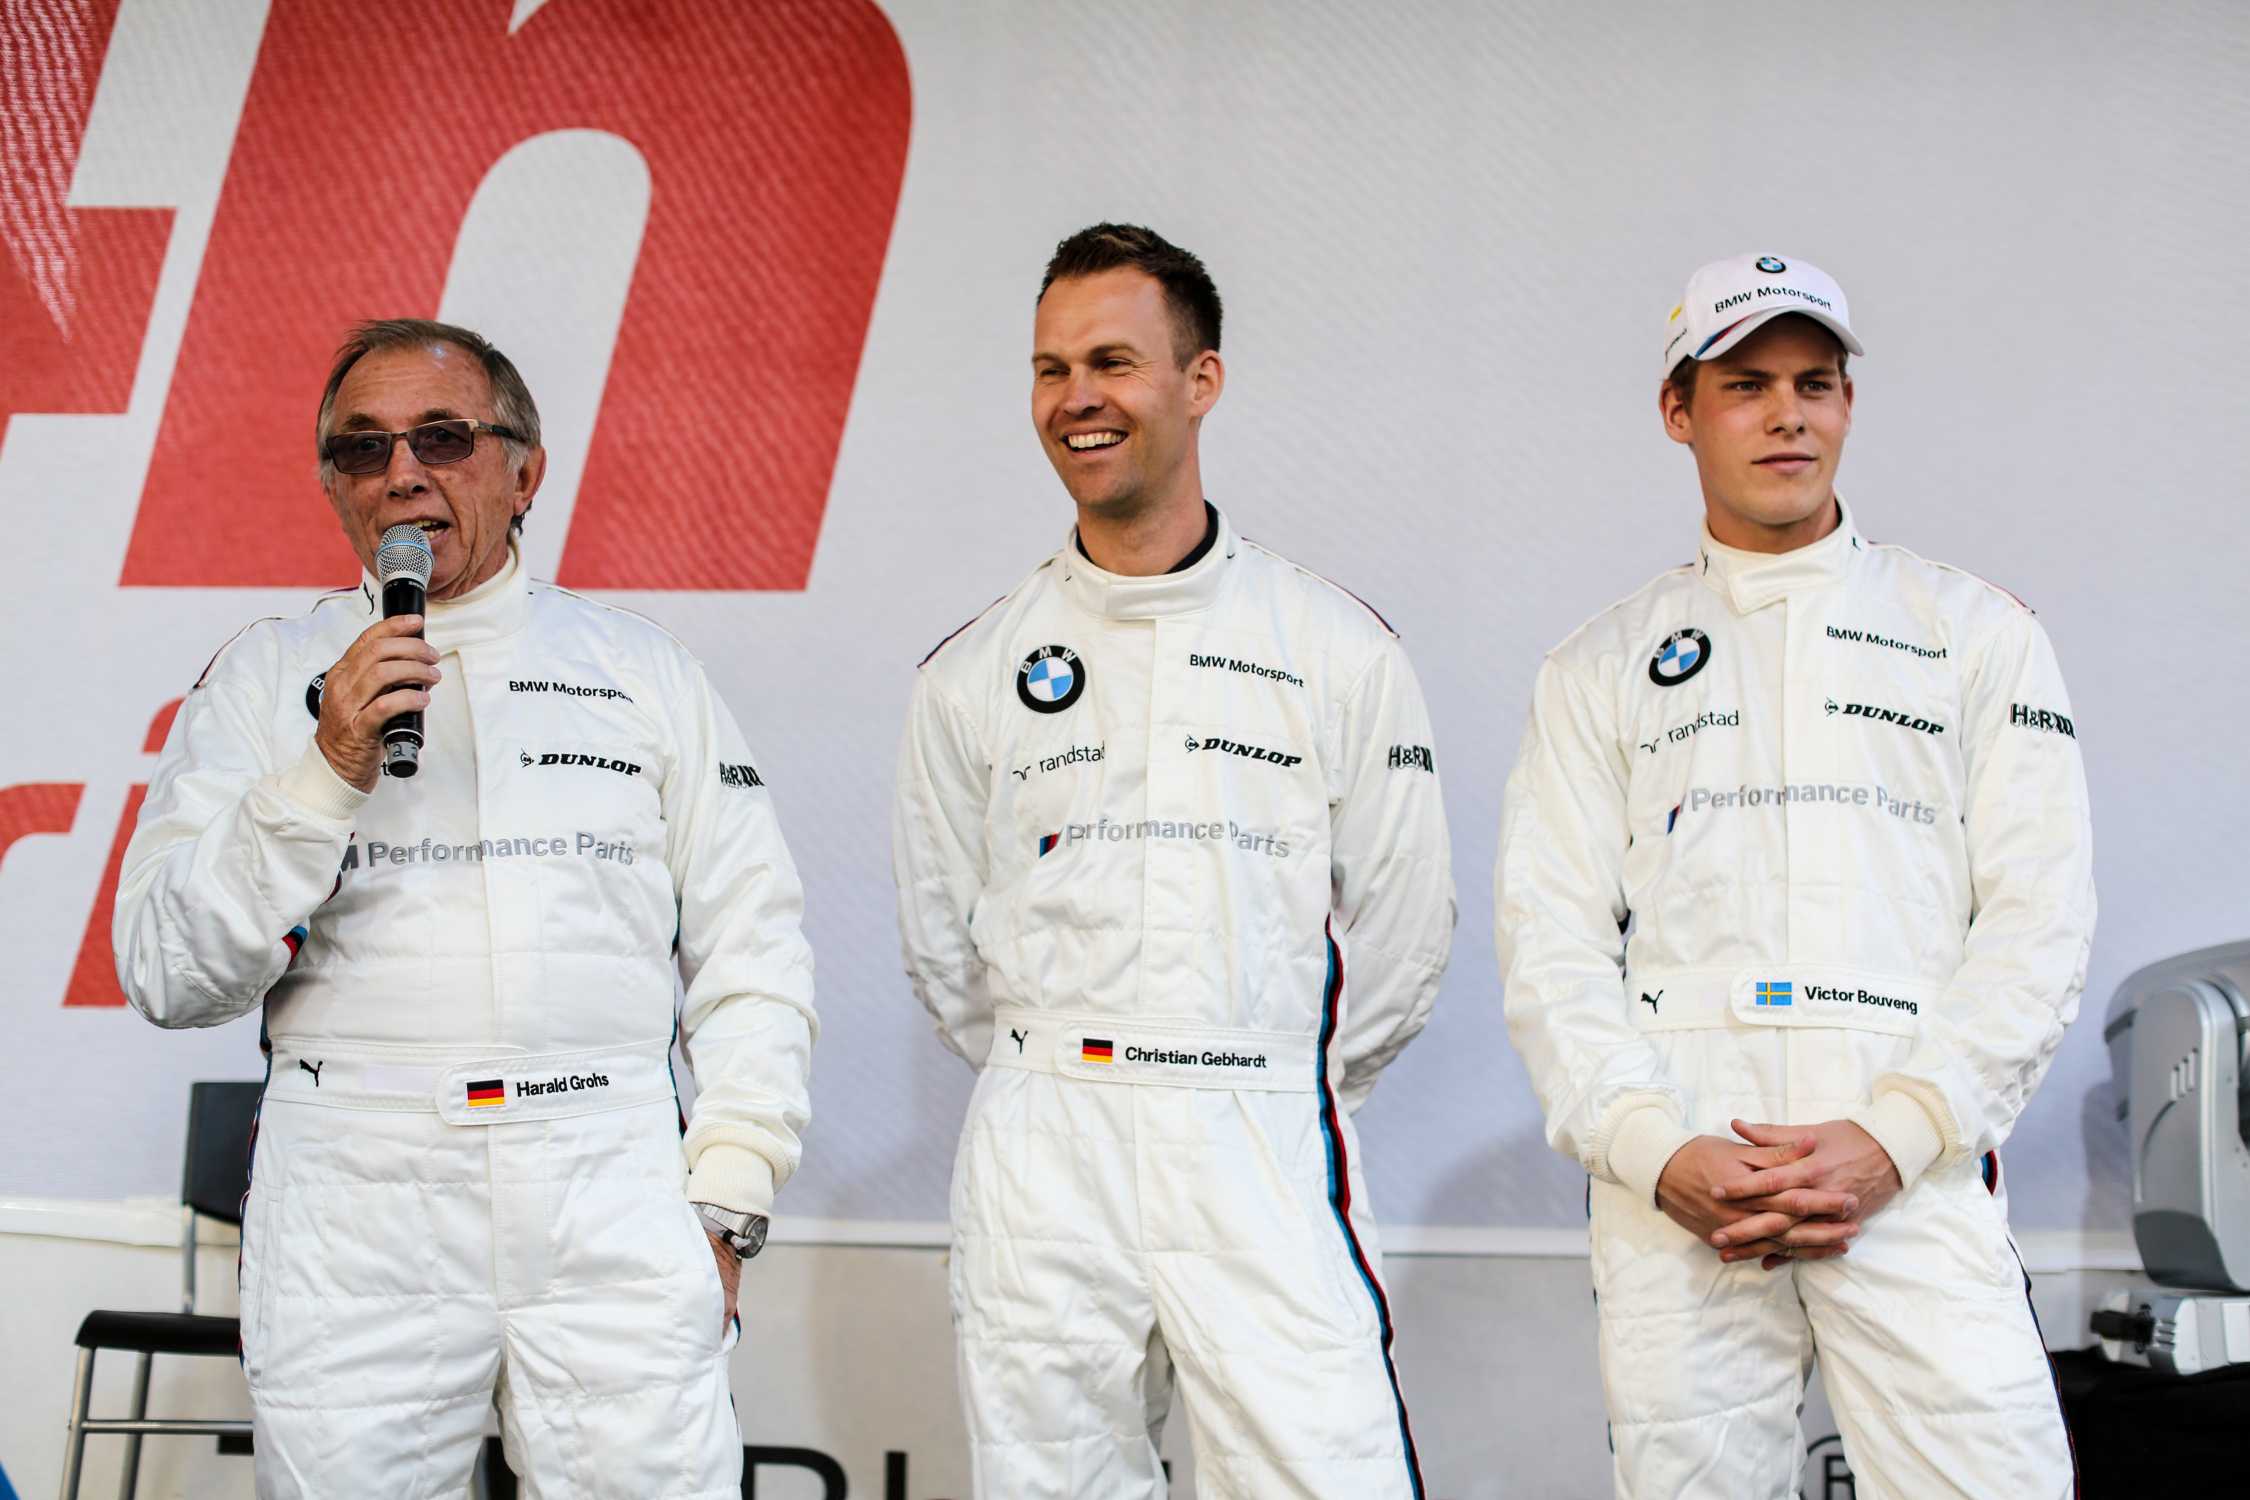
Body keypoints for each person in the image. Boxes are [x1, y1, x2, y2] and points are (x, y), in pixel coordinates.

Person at [114, 319, 815, 1499]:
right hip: (356, 1197)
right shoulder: (263, 678)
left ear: (524, 468)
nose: (403, 474)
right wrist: (322, 765)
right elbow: (167, 972)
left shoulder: (643, 672)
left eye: (443, 438)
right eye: (362, 449)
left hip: (610, 1179)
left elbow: (758, 947)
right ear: (332, 482)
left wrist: (730, 1193)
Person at [1497, 253, 2095, 1498]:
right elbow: (1549, 948)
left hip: (1907, 1161)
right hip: (1685, 1182)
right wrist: (1657, 1149)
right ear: (1680, 410)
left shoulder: (1975, 633)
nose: (1789, 415)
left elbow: (2039, 926)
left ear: (1848, 404)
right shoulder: (1599, 665)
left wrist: (1896, 1135)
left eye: (1816, 383)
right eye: (1747, 384)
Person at [893, 224, 1455, 1500]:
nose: (1077, 400)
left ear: (1200, 382)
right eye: (1050, 369)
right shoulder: (971, 671)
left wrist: (1258, 1065)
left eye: (1113, 362)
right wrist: (1071, 1065)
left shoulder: (1336, 648)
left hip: (1256, 1124)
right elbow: (944, 946)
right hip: (1043, 1137)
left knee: (1330, 1476)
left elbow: (1406, 934)